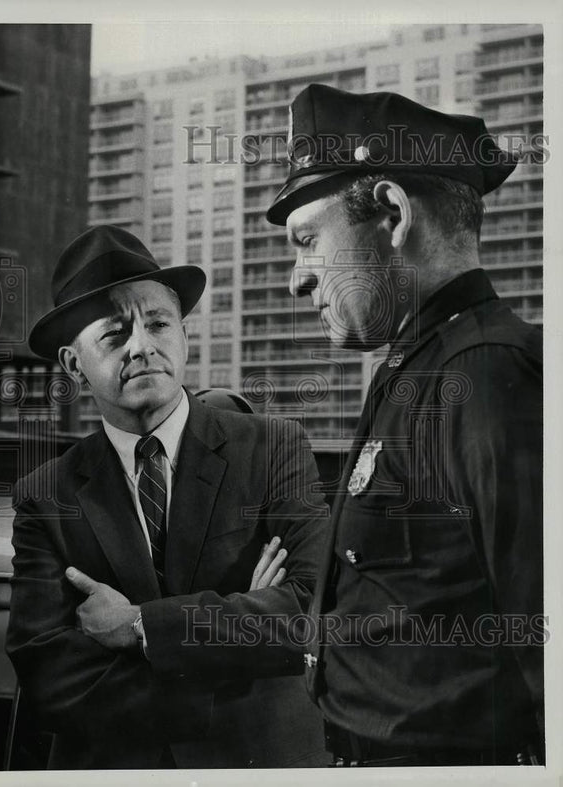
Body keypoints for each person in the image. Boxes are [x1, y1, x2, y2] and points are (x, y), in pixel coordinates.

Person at [266, 85, 544, 767]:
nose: (295, 281)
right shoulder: (421, 366)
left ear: (391, 212)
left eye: (307, 241)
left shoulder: (485, 377)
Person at [6, 225, 329, 769]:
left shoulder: (274, 448)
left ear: (184, 334)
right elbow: (49, 676)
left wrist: (138, 627)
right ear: (72, 364)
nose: (142, 346)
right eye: (113, 335)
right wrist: (234, 658)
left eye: (158, 323)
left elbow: (313, 610)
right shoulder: (45, 496)